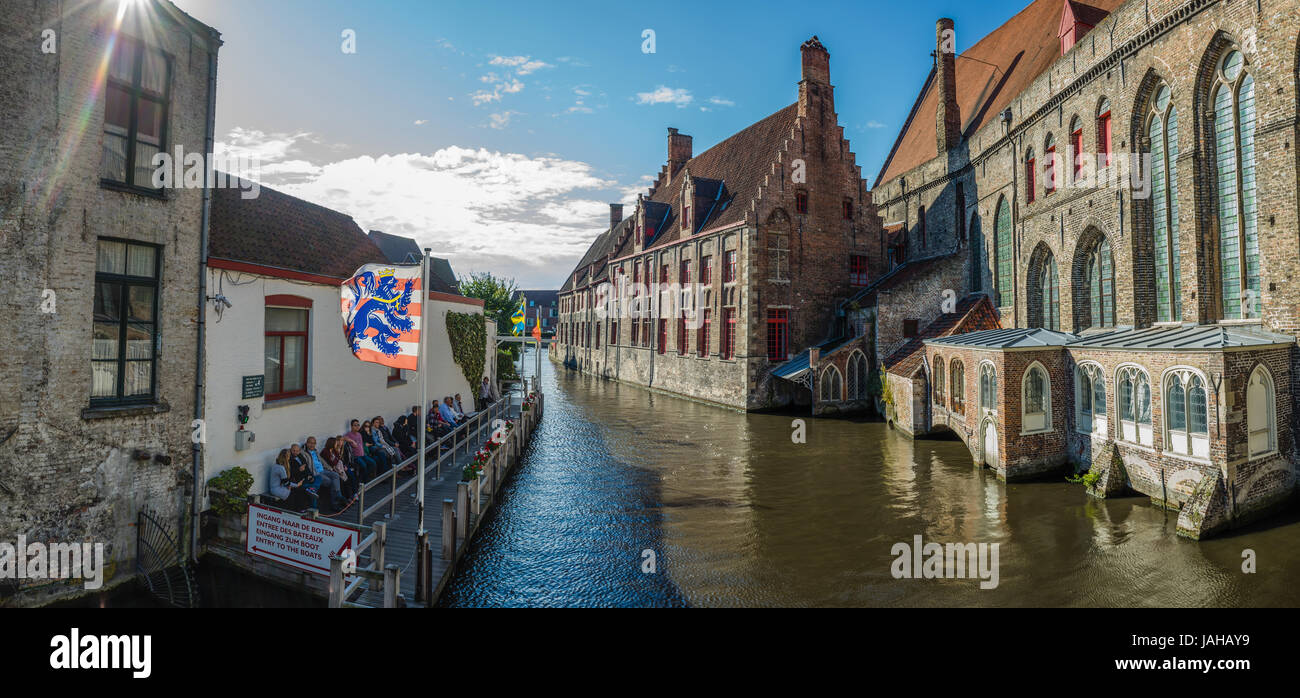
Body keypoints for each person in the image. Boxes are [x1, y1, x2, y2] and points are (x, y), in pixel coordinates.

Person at [300, 439, 345, 512]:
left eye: (314, 443)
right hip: (316, 473)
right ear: (307, 443)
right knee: (330, 482)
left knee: (335, 475)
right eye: (310, 443)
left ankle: (337, 500)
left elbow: (322, 461)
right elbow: (306, 464)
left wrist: (329, 468)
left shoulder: (315, 451)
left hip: (323, 470)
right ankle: (336, 502)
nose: (312, 445)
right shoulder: (303, 452)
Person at [321, 436, 356, 500]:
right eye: (336, 443)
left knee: (348, 478)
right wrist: (338, 461)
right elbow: (332, 463)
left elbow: (338, 459)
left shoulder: (333, 451)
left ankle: (350, 496)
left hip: (339, 468)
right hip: (331, 469)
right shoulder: (325, 451)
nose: (337, 444)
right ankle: (344, 498)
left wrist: (339, 463)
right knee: (342, 480)